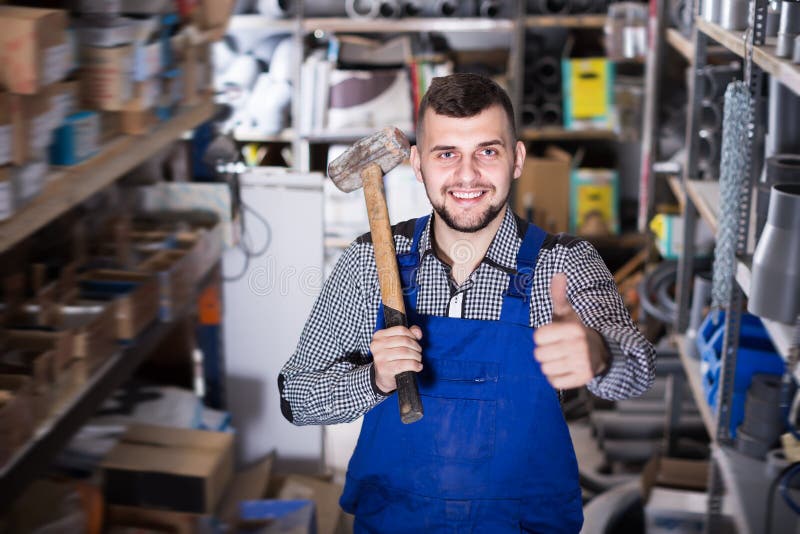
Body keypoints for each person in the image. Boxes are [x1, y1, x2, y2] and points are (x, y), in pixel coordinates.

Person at [278, 73, 655, 533]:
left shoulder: (564, 264)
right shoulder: (368, 264)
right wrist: (373, 380)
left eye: (487, 151)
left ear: (516, 159)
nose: (467, 175)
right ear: (417, 164)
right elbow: (297, 398)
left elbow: (638, 372)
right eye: (446, 154)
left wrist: (598, 355)